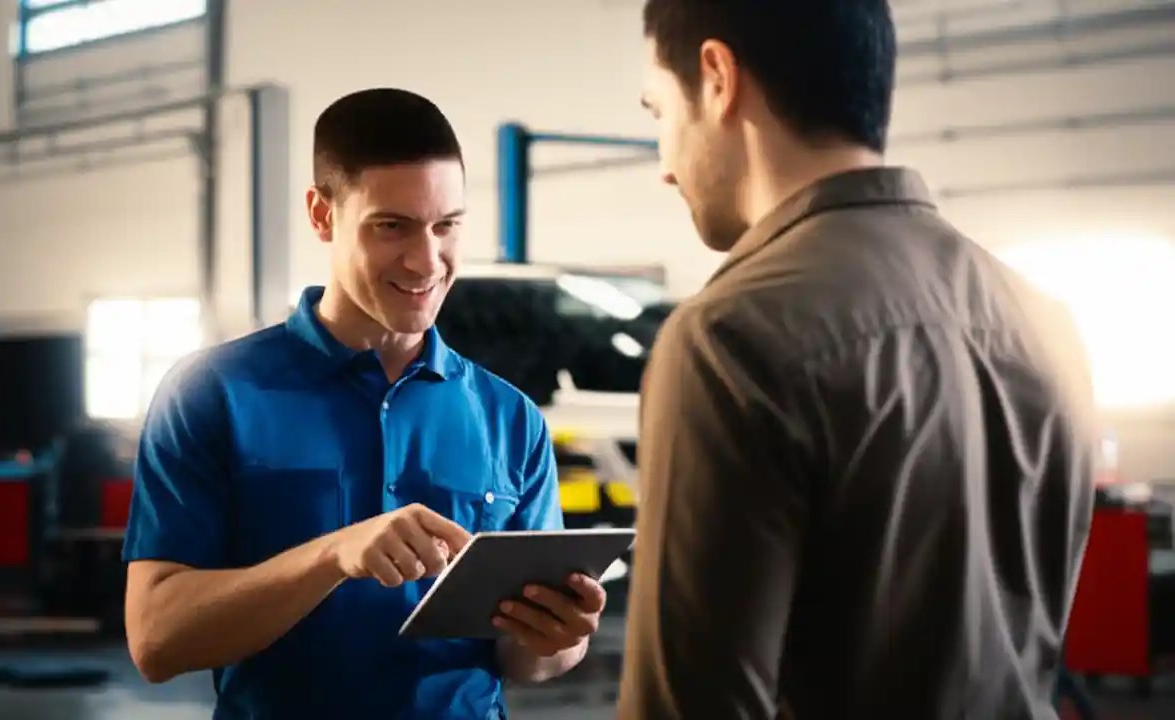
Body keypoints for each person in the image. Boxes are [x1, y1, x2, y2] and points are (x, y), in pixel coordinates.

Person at [619, 2, 1098, 718]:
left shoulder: (729, 340)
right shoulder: (1043, 320)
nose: (664, 164)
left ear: (717, 79)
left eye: (658, 111)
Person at [121, 88, 605, 719]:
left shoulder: (509, 418)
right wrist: (331, 556)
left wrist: (558, 639)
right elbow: (156, 641)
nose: (427, 260)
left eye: (446, 226)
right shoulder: (213, 393)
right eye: (392, 226)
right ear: (322, 215)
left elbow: (523, 660)